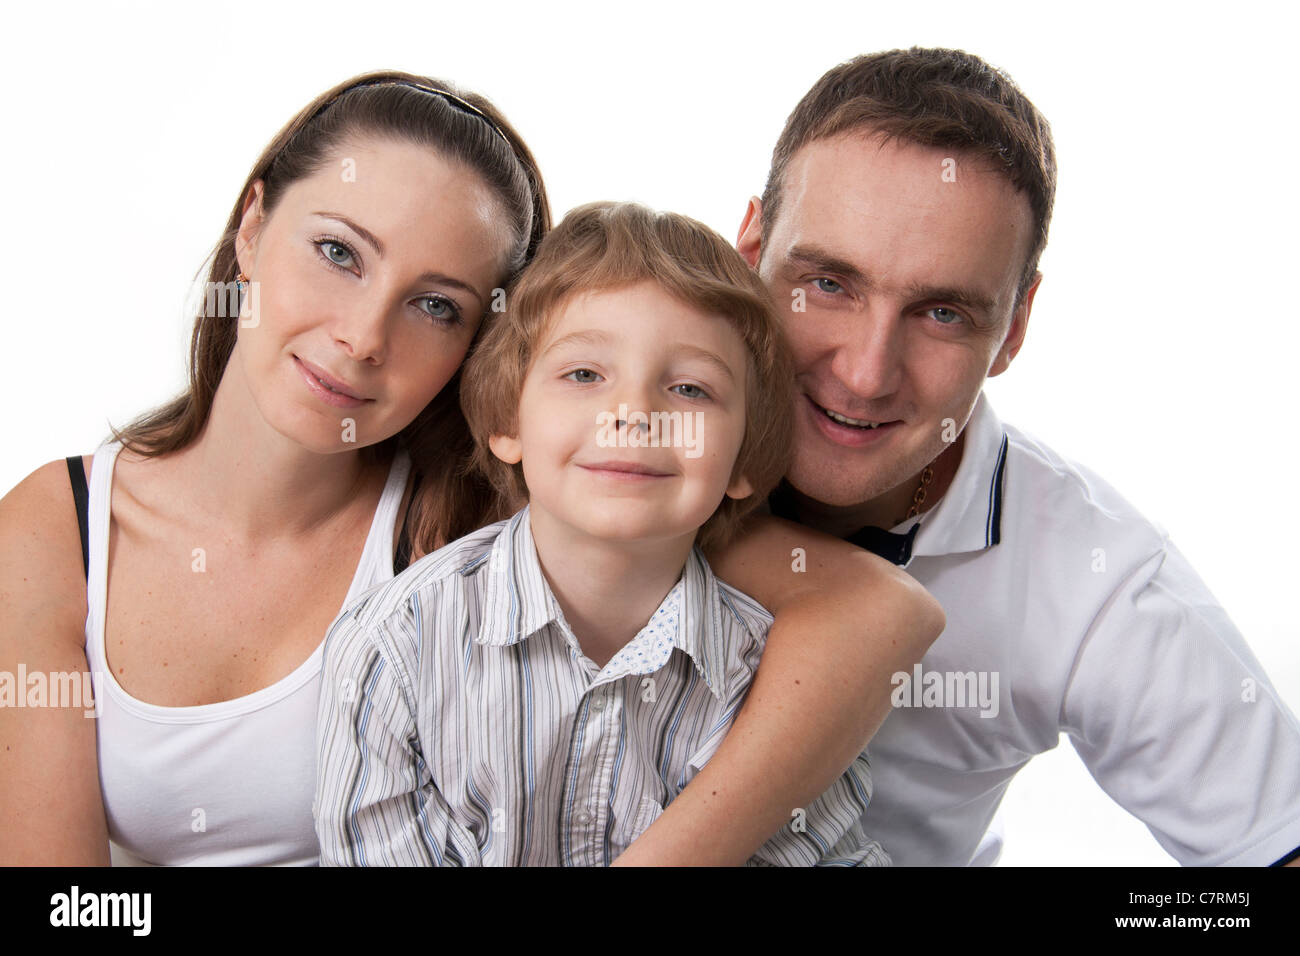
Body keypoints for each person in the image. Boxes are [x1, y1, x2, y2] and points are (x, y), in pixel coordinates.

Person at [0, 71, 941, 865]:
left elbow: (877, 611)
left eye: (437, 306)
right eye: (337, 253)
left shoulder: (496, 518)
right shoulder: (63, 525)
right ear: (252, 227)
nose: (363, 338)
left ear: (488, 356)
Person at [733, 46, 1300, 866]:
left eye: (941, 314)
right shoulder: (593, 435)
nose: (864, 372)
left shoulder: (1098, 583)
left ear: (1017, 327)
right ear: (749, 251)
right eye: (828, 284)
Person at [315, 201, 893, 866]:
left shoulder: (779, 684)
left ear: (743, 459)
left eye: (690, 389)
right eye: (584, 374)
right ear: (509, 422)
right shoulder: (395, 648)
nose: (633, 415)